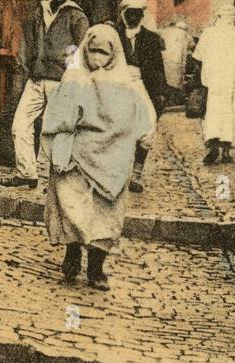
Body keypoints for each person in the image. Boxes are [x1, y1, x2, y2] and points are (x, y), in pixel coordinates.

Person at [41, 24, 156, 289]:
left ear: (114, 54)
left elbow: (143, 119)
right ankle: (72, 253)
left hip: (113, 157)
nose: (97, 59)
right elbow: (59, 116)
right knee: (72, 207)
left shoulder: (126, 82)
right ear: (85, 49)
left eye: (104, 53)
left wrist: (142, 134)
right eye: (93, 51)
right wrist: (62, 147)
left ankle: (96, 268)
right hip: (78, 154)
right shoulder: (74, 77)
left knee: (106, 214)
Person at [5, 0, 89, 190]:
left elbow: (80, 51)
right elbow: (28, 41)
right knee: (20, 125)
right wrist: (27, 65)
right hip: (35, 79)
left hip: (60, 82)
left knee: (58, 132)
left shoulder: (76, 16)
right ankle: (27, 173)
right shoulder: (39, 12)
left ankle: (58, 182)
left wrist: (71, 78)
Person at [117, 0, 167, 192]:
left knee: (147, 128)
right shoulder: (114, 35)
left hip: (141, 87)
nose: (133, 17)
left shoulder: (151, 39)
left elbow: (158, 68)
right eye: (130, 13)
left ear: (142, 15)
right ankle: (117, 173)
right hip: (116, 87)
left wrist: (160, 93)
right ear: (123, 13)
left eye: (137, 14)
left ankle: (136, 174)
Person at [192, 5, 235, 165]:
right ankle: (221, 150)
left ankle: (219, 149)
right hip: (225, 82)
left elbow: (197, 58)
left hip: (222, 82)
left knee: (216, 113)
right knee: (226, 113)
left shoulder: (213, 33)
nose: (229, 18)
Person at [161, 16, 192, 104]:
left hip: (165, 60)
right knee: (176, 81)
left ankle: (168, 99)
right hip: (177, 61)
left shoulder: (165, 32)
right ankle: (175, 100)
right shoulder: (184, 33)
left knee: (167, 80)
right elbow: (192, 44)